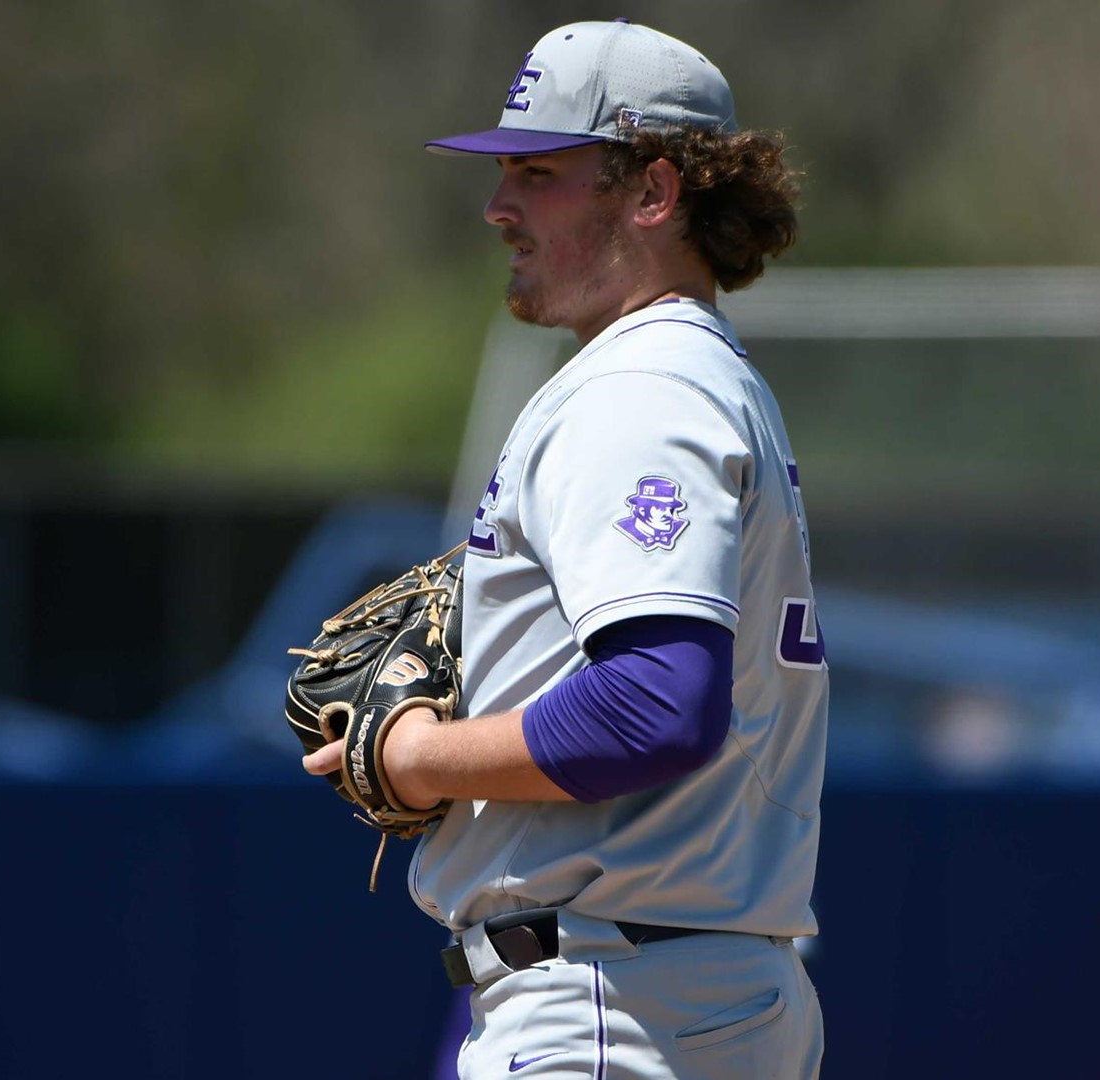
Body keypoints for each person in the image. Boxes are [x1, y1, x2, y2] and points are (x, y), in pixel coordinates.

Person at [304, 19, 826, 1079]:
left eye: (538, 172)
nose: (499, 206)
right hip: (670, 989)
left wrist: (414, 757)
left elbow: (657, 702)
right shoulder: (699, 375)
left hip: (613, 1004)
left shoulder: (641, 387)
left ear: (652, 192)